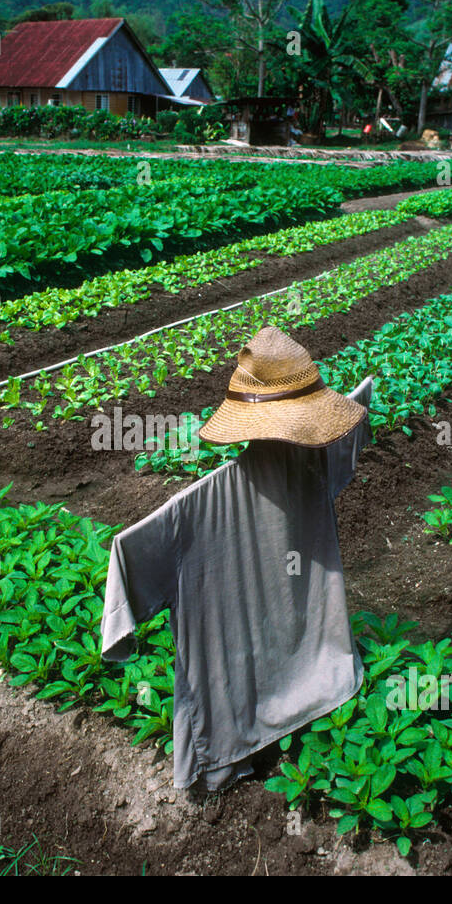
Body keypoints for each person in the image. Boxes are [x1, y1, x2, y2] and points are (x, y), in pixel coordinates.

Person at [100, 327, 373, 792]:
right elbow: (356, 427)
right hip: (331, 679)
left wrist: (119, 641)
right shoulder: (311, 464)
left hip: (237, 724)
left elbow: (126, 569)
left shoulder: (194, 515)